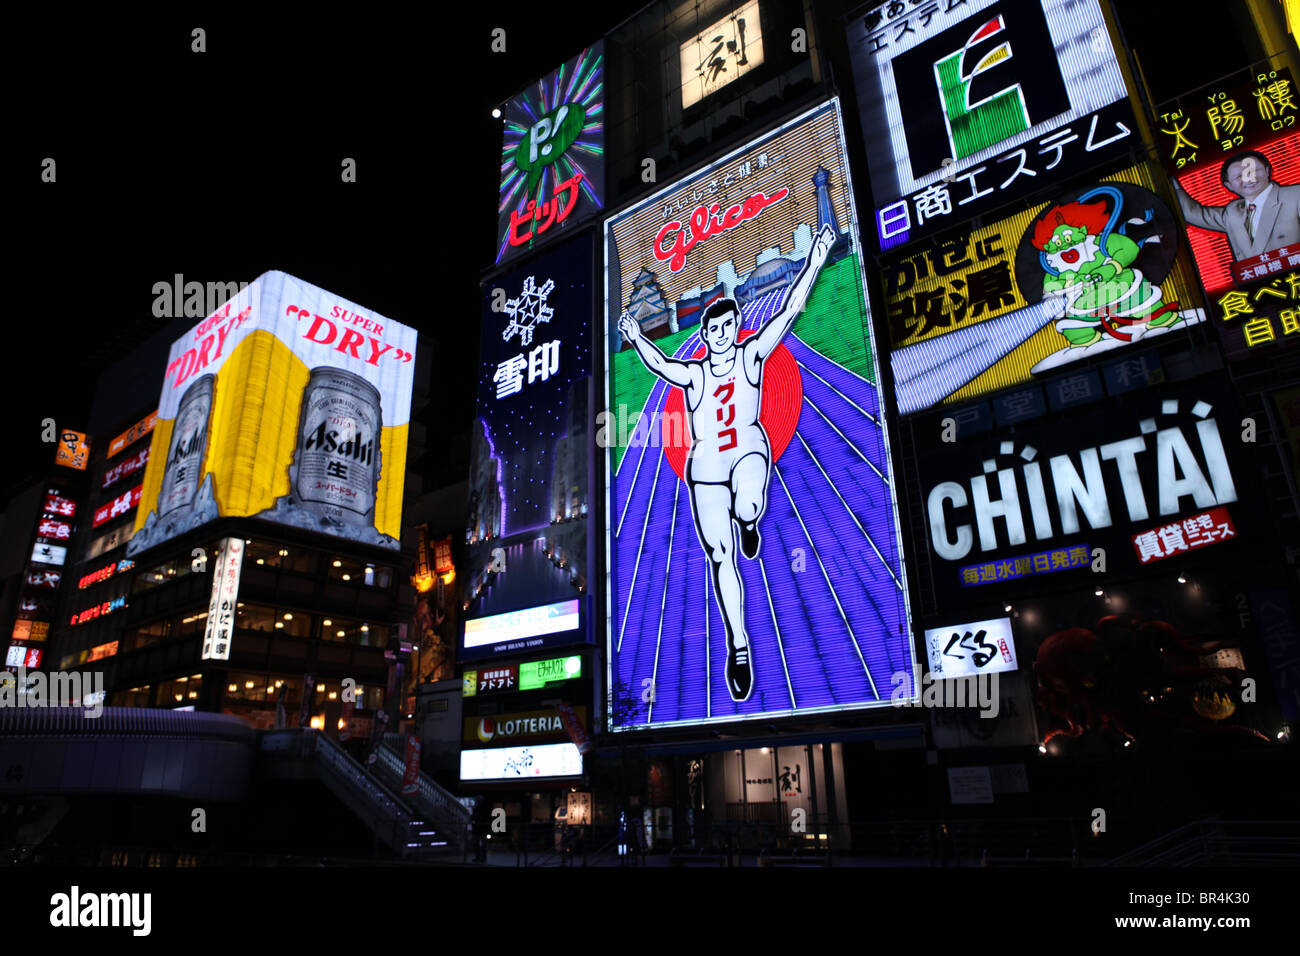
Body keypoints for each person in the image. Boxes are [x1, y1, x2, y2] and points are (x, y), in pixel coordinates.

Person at [617, 225, 837, 702]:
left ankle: (750, 518)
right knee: (721, 555)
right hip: (707, 466)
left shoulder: (752, 356)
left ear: (735, 328)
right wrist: (635, 336)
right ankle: (739, 644)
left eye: (726, 326)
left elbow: (790, 309)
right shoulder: (694, 374)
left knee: (752, 500)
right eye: (712, 329)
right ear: (705, 335)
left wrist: (816, 259)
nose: (720, 334)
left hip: (749, 451)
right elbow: (659, 365)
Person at [1174, 150, 1300, 261]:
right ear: (1228, 185)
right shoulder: (1233, 212)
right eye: (1239, 176)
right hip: (1257, 284)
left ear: (1267, 171)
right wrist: (1170, 179)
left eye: (1254, 171)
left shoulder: (1295, 195)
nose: (1249, 178)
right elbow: (1192, 213)